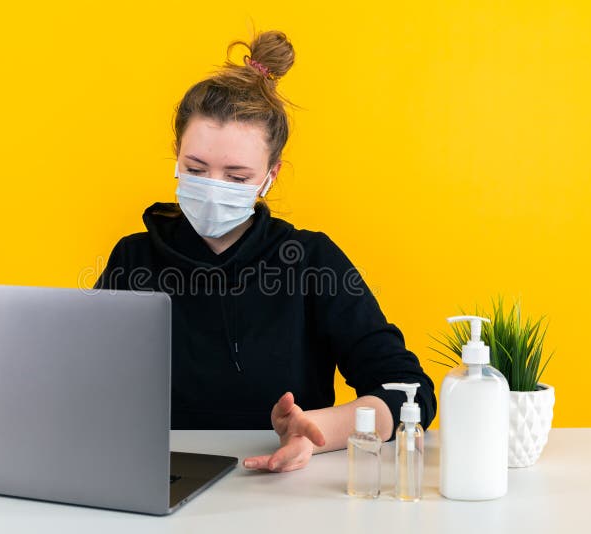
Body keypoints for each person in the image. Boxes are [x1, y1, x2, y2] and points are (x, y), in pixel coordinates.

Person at [92, 29, 436, 473]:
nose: (214, 189)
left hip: (285, 493)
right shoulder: (133, 259)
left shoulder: (313, 261)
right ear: (177, 156)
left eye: (236, 178)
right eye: (196, 169)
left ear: (270, 175)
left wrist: (315, 430)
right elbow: (81, 382)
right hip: (156, 477)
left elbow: (409, 390)